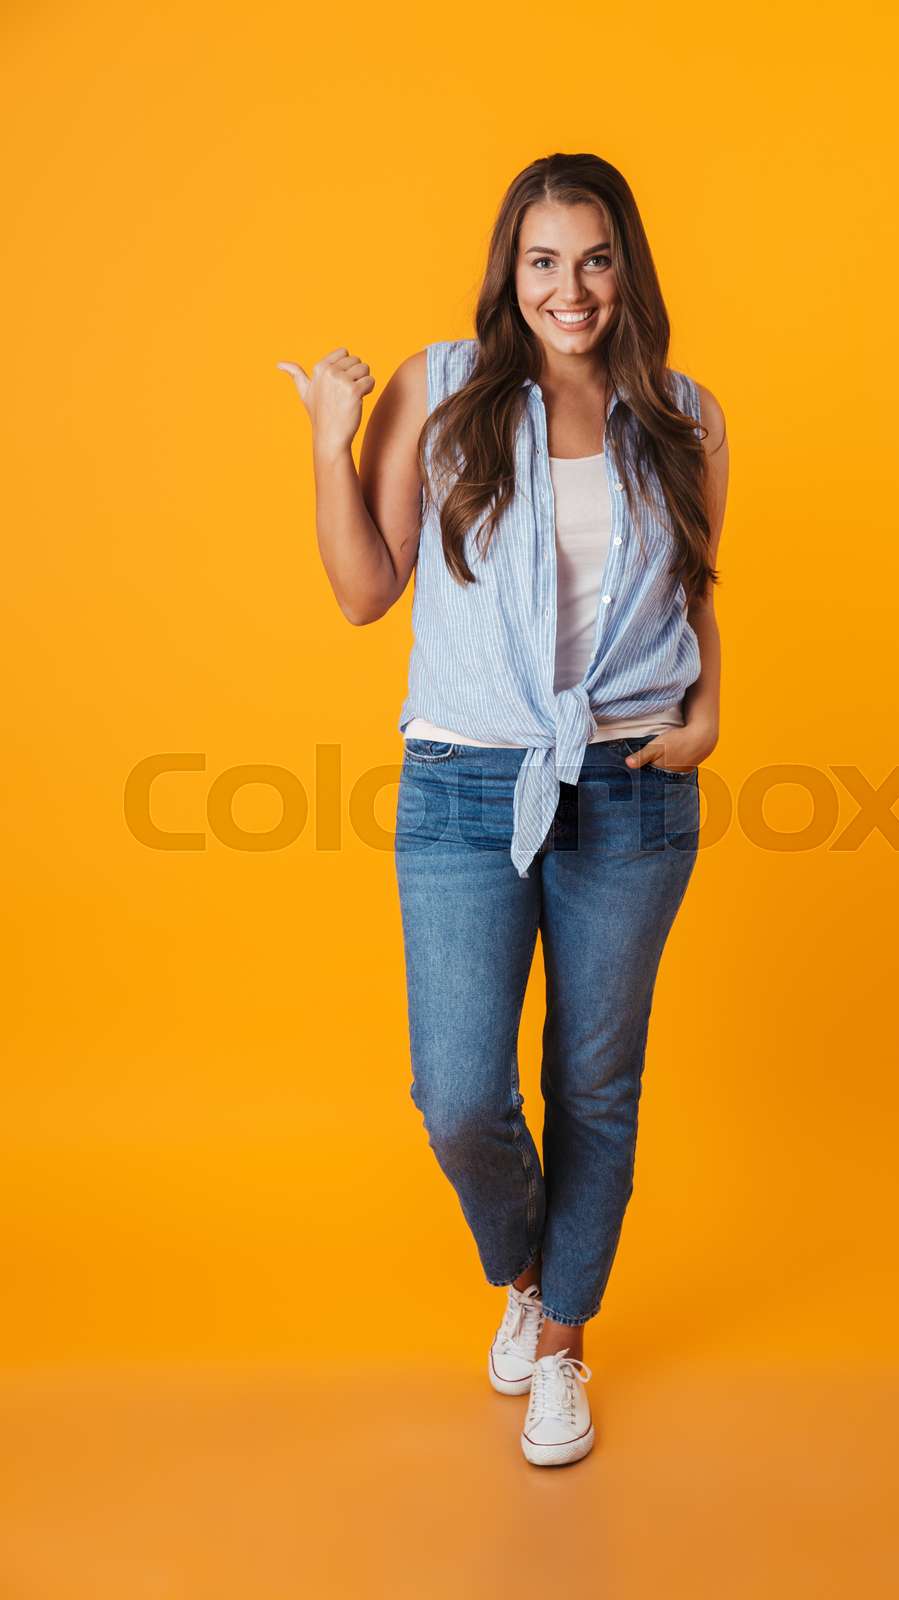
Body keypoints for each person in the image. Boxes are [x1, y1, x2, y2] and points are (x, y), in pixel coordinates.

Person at [278, 151, 729, 1467]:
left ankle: (565, 1348)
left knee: (595, 1084)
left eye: (594, 259)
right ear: (509, 269)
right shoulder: (445, 388)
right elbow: (367, 590)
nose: (569, 287)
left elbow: (699, 586)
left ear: (626, 268)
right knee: (460, 1093)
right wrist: (330, 440)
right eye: (543, 261)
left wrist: (710, 715)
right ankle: (526, 1284)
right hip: (470, 778)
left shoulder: (687, 414)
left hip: (634, 780)